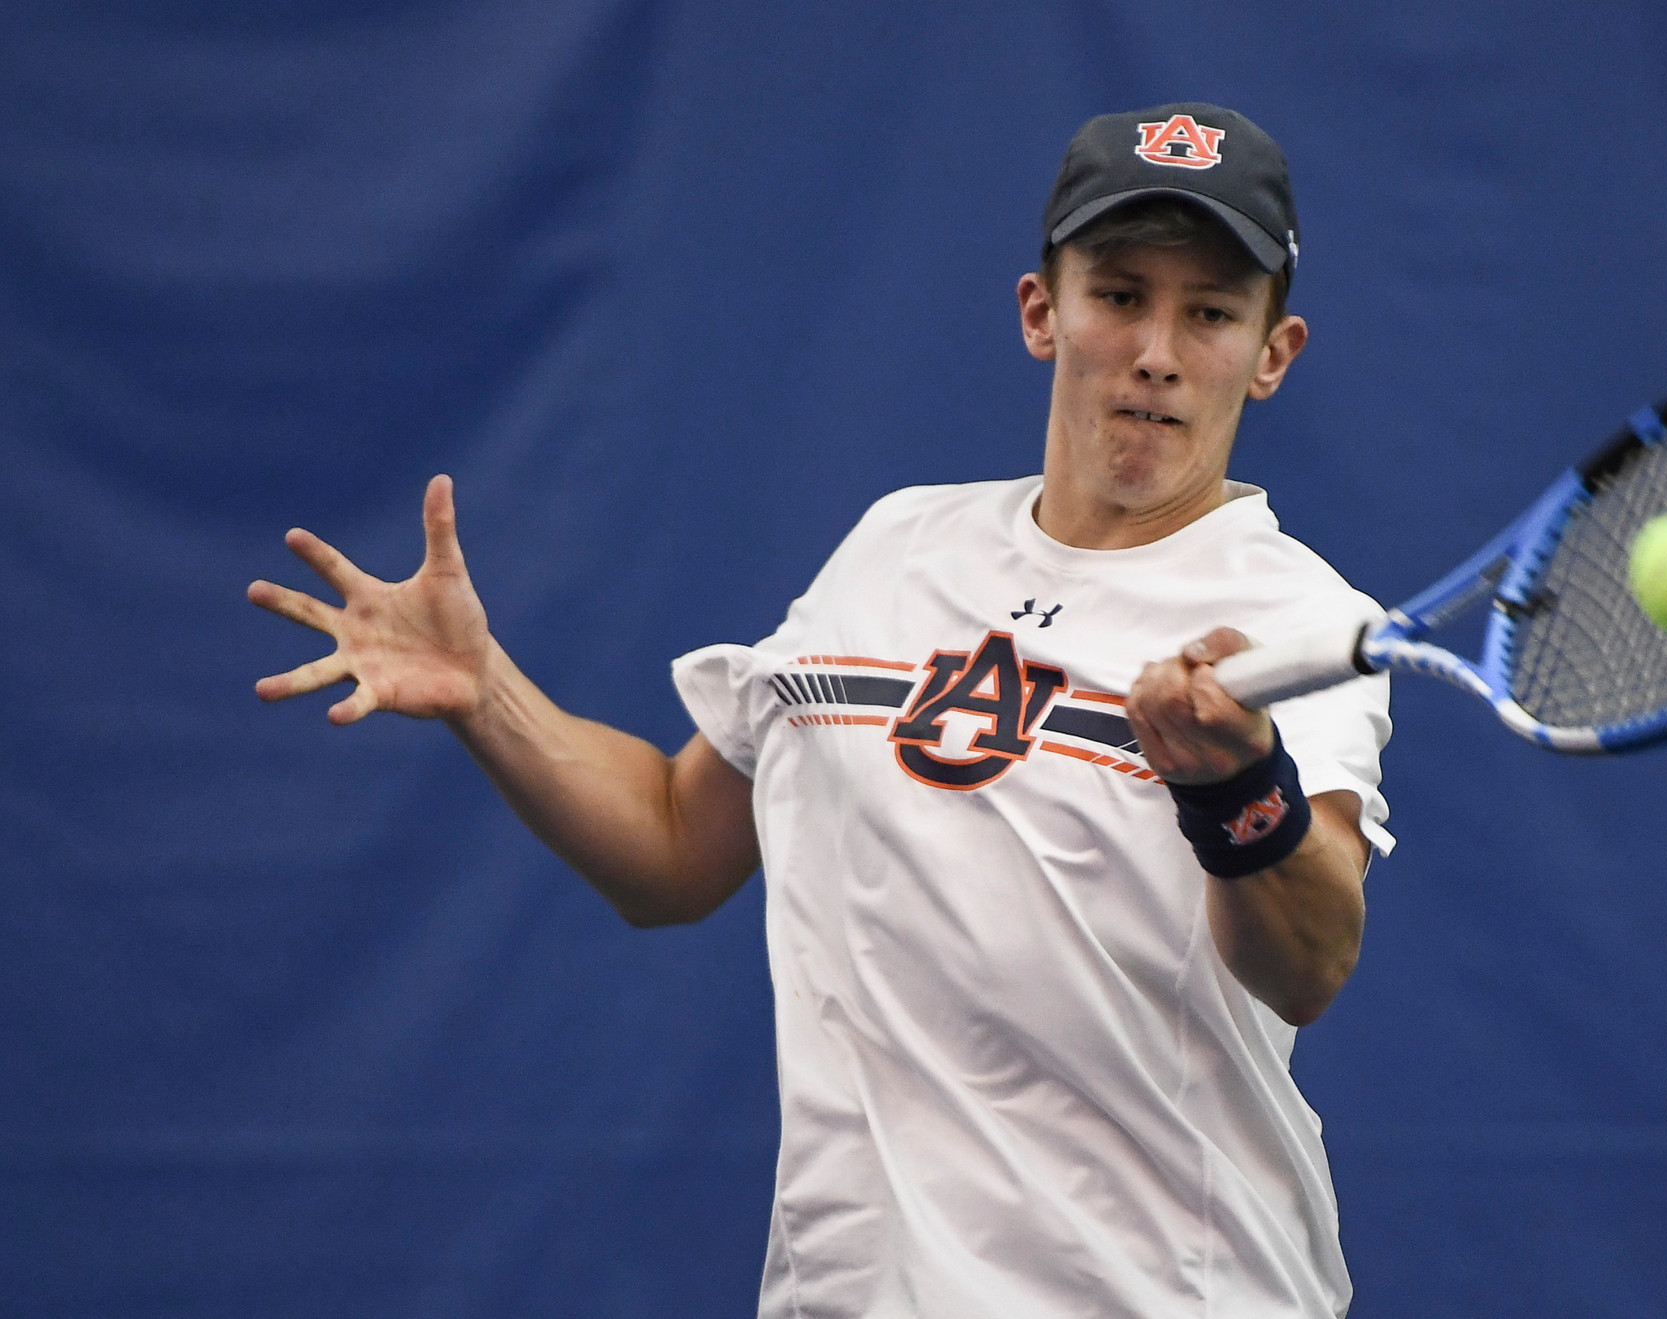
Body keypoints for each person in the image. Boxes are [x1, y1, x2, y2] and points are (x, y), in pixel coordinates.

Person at [249, 102, 1393, 1318]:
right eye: (1120, 294)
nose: (1158, 349)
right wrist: (489, 693)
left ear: (1273, 353)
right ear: (1041, 311)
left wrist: (1233, 787)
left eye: (1211, 312)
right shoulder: (893, 550)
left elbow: (1313, 959)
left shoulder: (1287, 617)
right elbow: (673, 847)